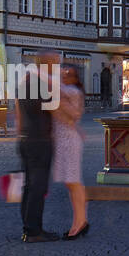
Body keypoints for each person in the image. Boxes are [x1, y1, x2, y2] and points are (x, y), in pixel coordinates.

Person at [15, 51, 59, 242]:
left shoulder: (24, 82)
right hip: (39, 140)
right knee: (38, 187)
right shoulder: (41, 84)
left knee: (29, 186)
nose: (57, 67)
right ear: (47, 64)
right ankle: (33, 231)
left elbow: (18, 110)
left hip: (25, 138)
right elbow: (53, 108)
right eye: (55, 63)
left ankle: (28, 226)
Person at [52, 65, 88, 239]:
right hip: (63, 140)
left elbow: (74, 114)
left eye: (68, 74)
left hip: (69, 140)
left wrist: (60, 103)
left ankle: (80, 222)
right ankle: (79, 221)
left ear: (75, 78)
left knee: (73, 182)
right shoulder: (63, 90)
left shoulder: (72, 92)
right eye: (63, 73)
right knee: (70, 183)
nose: (64, 75)